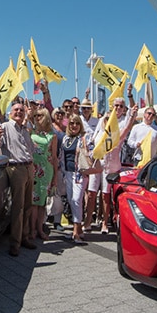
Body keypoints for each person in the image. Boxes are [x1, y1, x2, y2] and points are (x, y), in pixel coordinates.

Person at [0, 102, 37, 256]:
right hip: (15, 168)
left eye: (21, 110)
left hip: (29, 167)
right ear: (10, 113)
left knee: (28, 205)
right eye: (16, 110)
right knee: (18, 207)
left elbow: (30, 150)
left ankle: (24, 236)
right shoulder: (4, 127)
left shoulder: (25, 130)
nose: (19, 112)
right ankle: (15, 242)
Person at [87, 98, 136, 234]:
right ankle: (88, 221)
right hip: (98, 163)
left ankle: (104, 223)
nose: (118, 108)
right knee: (91, 193)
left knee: (105, 195)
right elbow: (92, 141)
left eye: (121, 106)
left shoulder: (117, 132)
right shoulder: (101, 127)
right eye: (116, 105)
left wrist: (131, 109)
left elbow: (127, 126)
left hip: (111, 166)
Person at [58, 117, 91, 243]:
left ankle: (77, 230)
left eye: (77, 123)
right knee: (71, 201)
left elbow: (91, 153)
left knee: (77, 200)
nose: (74, 125)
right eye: (72, 123)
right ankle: (78, 229)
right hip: (67, 173)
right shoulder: (65, 138)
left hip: (79, 174)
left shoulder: (84, 138)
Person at [29, 108, 58, 242]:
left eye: (40, 115)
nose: (37, 117)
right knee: (33, 202)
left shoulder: (52, 136)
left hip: (46, 170)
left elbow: (54, 157)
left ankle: (40, 228)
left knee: (42, 203)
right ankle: (32, 229)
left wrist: (55, 177)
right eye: (36, 115)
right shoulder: (31, 131)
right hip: (33, 169)